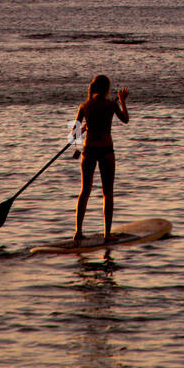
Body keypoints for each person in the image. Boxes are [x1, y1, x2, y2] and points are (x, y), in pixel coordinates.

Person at [72, 74, 129, 243]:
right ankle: (107, 233)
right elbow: (125, 119)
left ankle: (78, 232)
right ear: (106, 89)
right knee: (107, 193)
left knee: (84, 191)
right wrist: (123, 101)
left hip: (88, 151)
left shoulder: (84, 105)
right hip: (105, 151)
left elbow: (74, 133)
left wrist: (77, 148)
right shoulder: (111, 105)